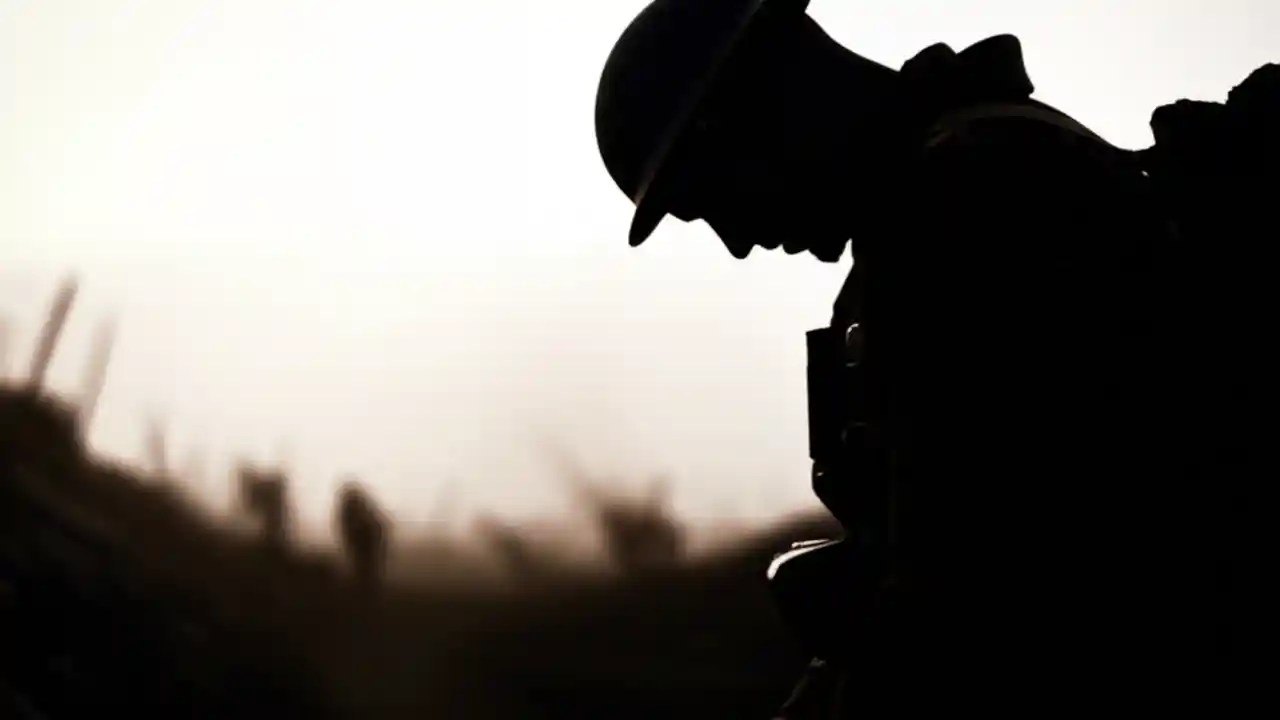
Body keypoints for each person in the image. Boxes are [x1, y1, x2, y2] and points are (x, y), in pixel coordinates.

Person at [594, 0, 1245, 715]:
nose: (737, 241)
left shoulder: (968, 200)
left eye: (710, 194)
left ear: (757, 109)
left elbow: (978, 599)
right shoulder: (948, 195)